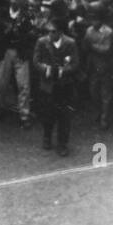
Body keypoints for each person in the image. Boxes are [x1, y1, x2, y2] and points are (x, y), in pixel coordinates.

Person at [34, 16, 79, 156]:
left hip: (64, 85)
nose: (50, 34)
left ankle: (62, 143)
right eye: (48, 31)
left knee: (64, 116)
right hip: (48, 84)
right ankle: (47, 136)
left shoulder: (70, 43)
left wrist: (62, 71)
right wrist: (45, 69)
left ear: (60, 32)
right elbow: (36, 60)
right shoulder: (42, 42)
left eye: (53, 31)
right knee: (48, 113)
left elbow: (75, 63)